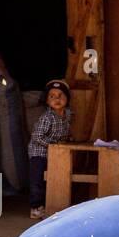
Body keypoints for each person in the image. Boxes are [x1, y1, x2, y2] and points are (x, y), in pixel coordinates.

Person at [27, 79, 73, 221]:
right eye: (52, 96)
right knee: (37, 180)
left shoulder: (68, 115)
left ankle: (53, 206)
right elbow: (36, 136)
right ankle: (36, 208)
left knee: (55, 178)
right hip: (39, 154)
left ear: (67, 99)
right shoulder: (47, 117)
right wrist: (53, 145)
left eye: (60, 96)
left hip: (55, 154)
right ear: (47, 101)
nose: (57, 99)